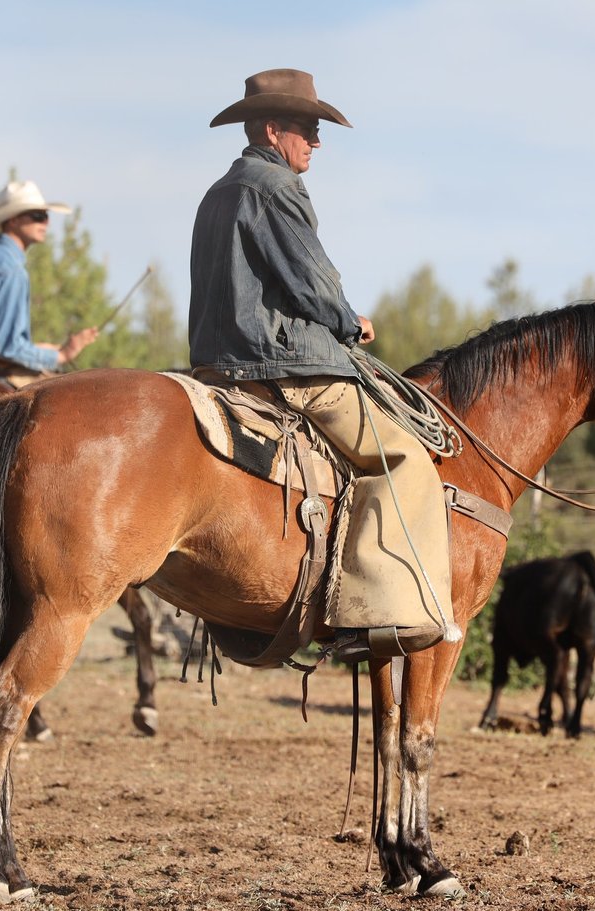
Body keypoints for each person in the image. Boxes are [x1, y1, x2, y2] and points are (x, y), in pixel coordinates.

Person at [188, 68, 455, 661]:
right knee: (405, 457)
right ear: (272, 128)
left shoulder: (219, 191)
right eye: (308, 128)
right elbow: (311, 280)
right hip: (284, 365)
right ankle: (371, 613)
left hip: (216, 365)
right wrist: (348, 319)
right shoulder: (274, 187)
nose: (317, 142)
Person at [0, 179, 98, 398]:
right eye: (37, 216)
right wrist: (62, 355)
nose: (45, 222)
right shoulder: (12, 271)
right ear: (13, 220)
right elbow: (6, 348)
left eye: (46, 216)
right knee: (82, 400)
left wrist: (44, 348)